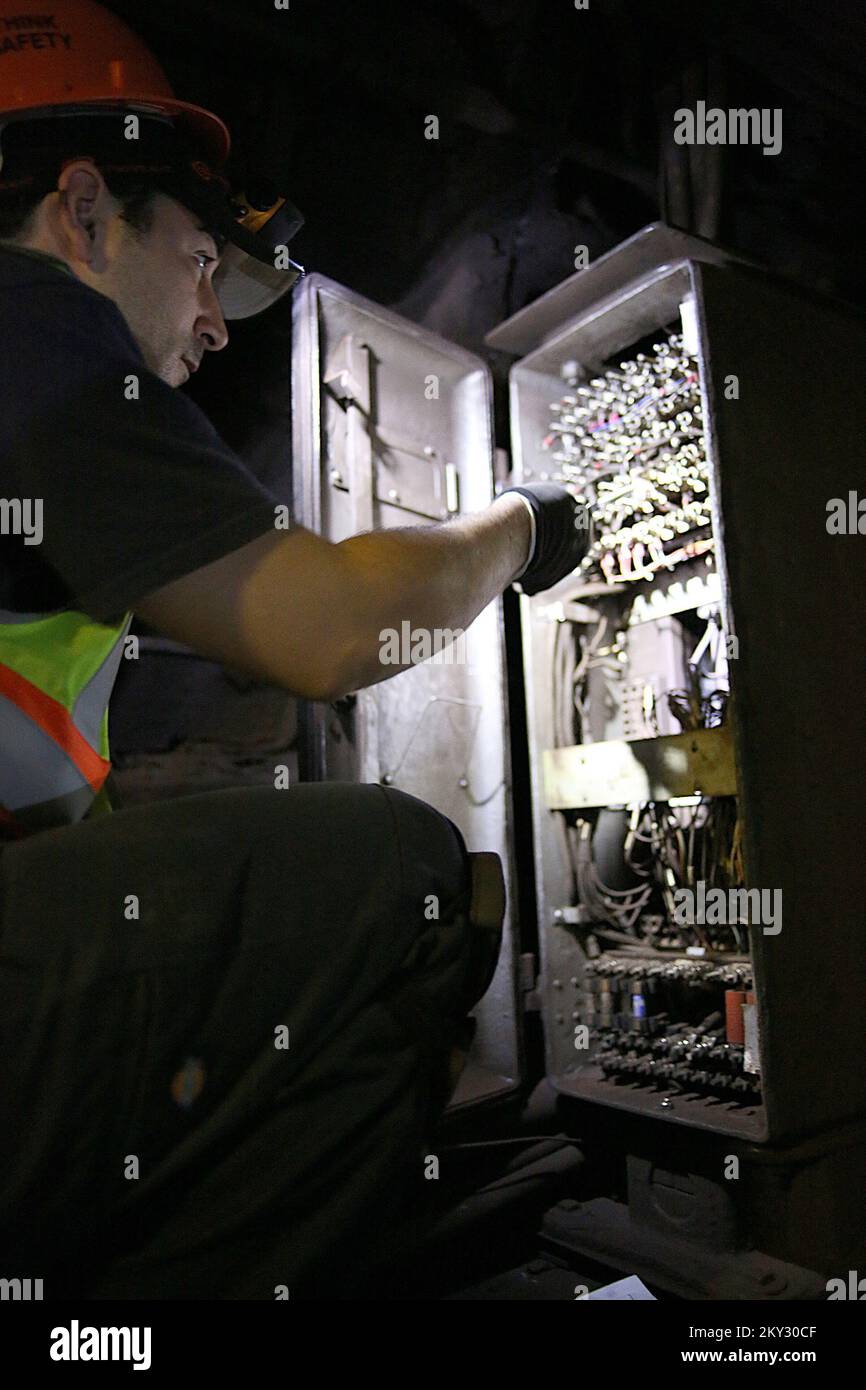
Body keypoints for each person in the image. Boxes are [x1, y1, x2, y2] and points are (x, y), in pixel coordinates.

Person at [0, 0, 589, 1297]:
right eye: (202, 259)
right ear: (85, 208)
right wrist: (522, 529)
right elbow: (324, 632)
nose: (214, 323)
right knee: (399, 871)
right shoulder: (29, 318)